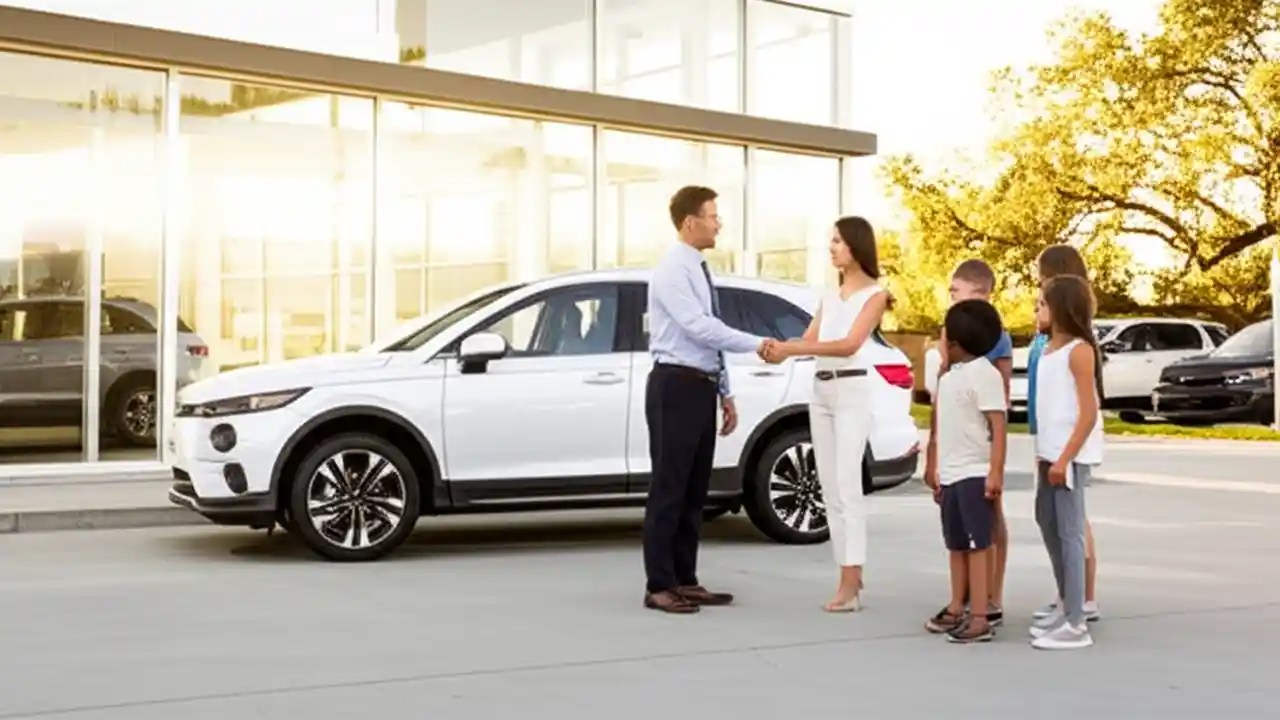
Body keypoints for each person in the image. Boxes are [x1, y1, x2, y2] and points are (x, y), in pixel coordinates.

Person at [643, 185, 774, 615]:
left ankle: (686, 579)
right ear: (689, 222)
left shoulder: (698, 268)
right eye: (713, 215)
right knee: (670, 487)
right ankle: (659, 584)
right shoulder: (671, 271)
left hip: (700, 384)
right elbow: (699, 328)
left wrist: (725, 390)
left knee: (694, 490)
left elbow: (709, 332)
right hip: (674, 386)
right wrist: (758, 343)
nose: (719, 223)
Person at [761, 216, 889, 612]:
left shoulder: (876, 294)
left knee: (848, 487)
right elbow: (811, 340)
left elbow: (850, 344)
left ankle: (849, 584)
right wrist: (776, 349)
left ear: (856, 245)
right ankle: (850, 573)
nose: (831, 247)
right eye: (830, 241)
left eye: (837, 241)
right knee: (829, 488)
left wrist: (793, 350)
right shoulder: (830, 295)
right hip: (822, 392)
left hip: (851, 391)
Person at [924, 259, 1013, 626]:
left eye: (955, 292)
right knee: (957, 541)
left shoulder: (989, 362)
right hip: (952, 470)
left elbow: (998, 417)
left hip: (978, 468)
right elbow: (939, 423)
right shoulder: (949, 376)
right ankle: (958, 603)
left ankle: (984, 607)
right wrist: (933, 464)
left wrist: (996, 469)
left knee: (983, 537)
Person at [1028, 275, 1104, 650]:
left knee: (1070, 533)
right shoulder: (1046, 350)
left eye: (1042, 303)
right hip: (1049, 455)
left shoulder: (1079, 350)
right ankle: (1065, 603)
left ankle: (1076, 623)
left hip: (1068, 458)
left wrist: (1065, 458)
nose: (1036, 309)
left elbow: (1087, 414)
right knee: (1047, 522)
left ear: (1060, 308)